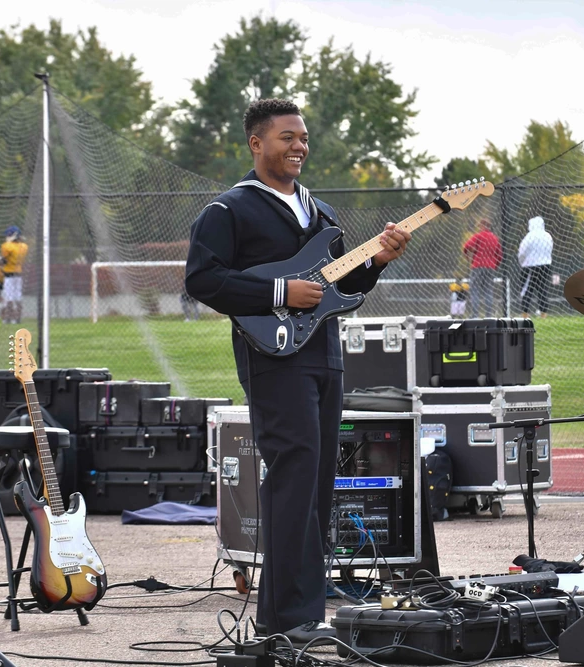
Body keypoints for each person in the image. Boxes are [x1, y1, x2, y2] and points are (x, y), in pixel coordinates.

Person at [185, 98, 410, 645]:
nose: (299, 146)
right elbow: (202, 280)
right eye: (287, 137)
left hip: (325, 355)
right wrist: (280, 291)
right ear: (256, 144)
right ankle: (288, 622)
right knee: (293, 477)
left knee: (318, 484)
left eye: (304, 137)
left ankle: (301, 614)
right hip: (273, 358)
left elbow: (340, 292)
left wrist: (376, 262)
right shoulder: (230, 210)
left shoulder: (322, 213)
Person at [461, 218, 502, 318]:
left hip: (478, 266)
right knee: (488, 290)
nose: (479, 228)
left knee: (475, 290)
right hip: (490, 268)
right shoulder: (495, 238)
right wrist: (495, 265)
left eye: (479, 226)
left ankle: (475, 315)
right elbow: (500, 255)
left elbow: (466, 247)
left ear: (482, 226)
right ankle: (489, 315)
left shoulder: (478, 236)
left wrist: (469, 258)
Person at [516, 216, 553, 318]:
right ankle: (543, 314)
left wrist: (522, 263)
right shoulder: (547, 236)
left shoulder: (529, 237)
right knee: (543, 290)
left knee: (527, 290)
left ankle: (525, 314)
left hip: (530, 266)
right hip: (546, 265)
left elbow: (522, 252)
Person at [0, 225, 29, 324]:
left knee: (9, 298)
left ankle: (9, 318)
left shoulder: (6, 246)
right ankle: (18, 318)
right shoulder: (24, 246)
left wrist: (0, 261)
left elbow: (3, 261)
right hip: (19, 274)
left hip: (9, 274)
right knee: (18, 297)